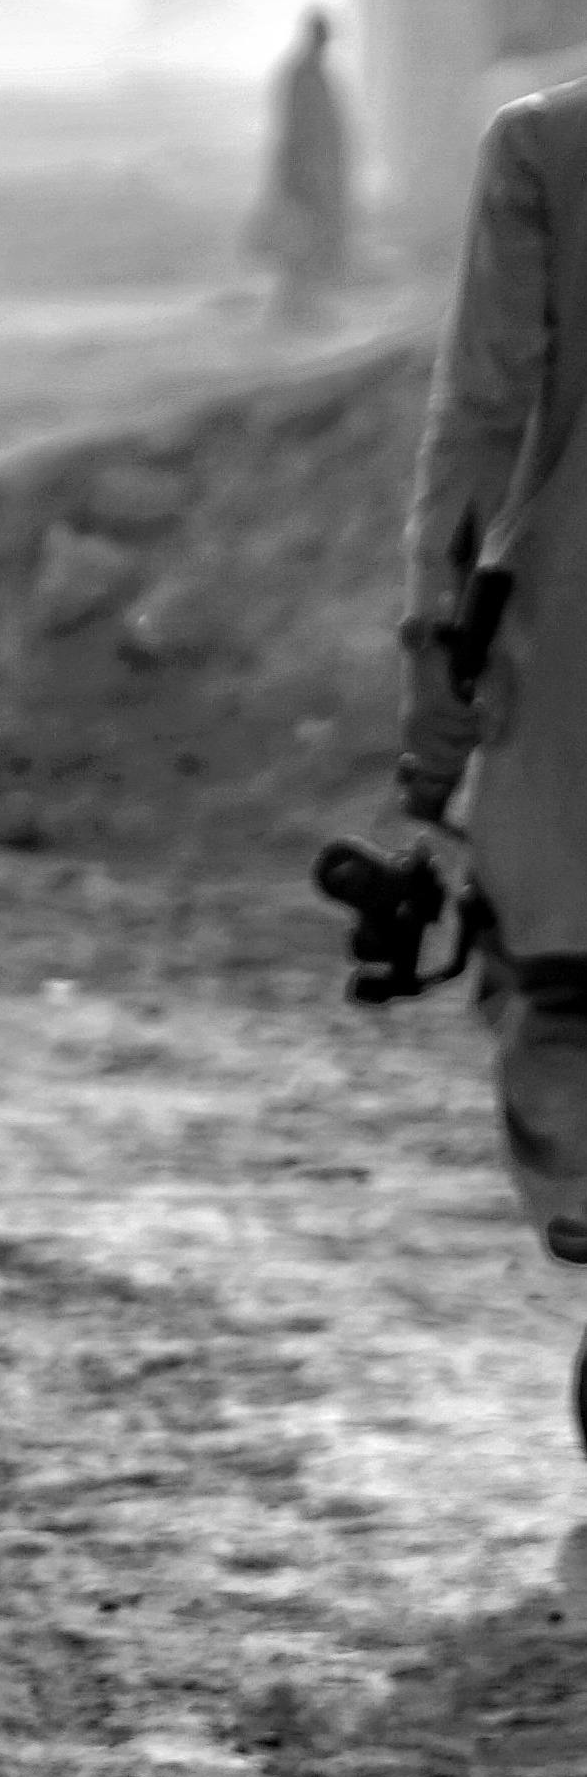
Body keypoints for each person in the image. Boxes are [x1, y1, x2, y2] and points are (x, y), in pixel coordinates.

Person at [406, 68, 587, 1386]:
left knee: (566, 993)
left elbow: (479, 423)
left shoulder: (547, 145)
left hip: (570, 664)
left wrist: (432, 693)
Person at [254, 9, 354, 333]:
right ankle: (292, 311)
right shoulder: (302, 73)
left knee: (311, 241)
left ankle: (297, 310)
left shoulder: (314, 72)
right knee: (300, 241)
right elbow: (299, 129)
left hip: (317, 172)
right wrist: (306, 175)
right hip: (305, 173)